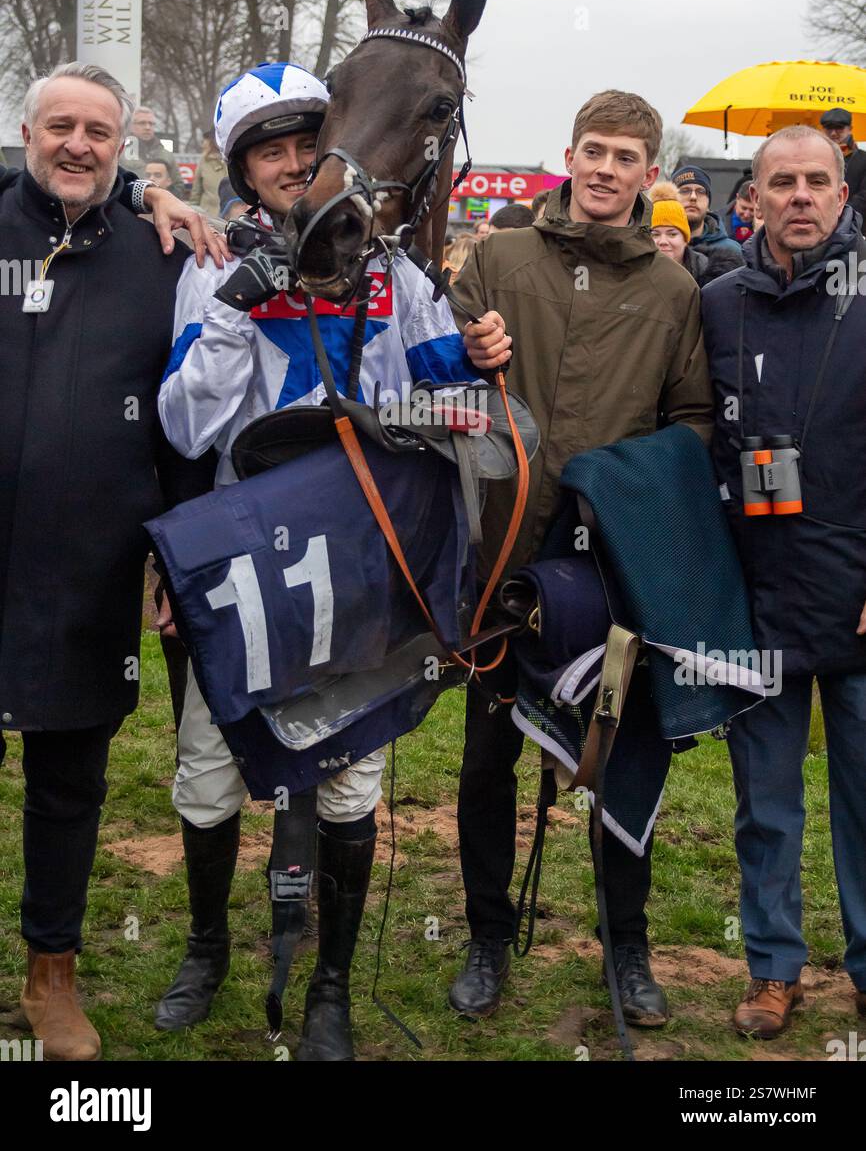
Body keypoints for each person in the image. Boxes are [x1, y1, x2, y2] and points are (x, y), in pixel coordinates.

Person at [156, 62, 482, 1061]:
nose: (294, 166)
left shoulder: (400, 275)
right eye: (271, 151)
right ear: (243, 169)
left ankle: (333, 985)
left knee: (347, 784)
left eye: (307, 143)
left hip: (357, 568)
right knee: (209, 779)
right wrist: (233, 310)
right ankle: (208, 947)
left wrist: (480, 359)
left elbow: (453, 415)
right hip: (244, 568)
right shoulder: (212, 269)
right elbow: (181, 424)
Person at [447, 90, 714, 1025]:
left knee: (619, 759)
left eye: (626, 157)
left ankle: (628, 949)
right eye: (593, 151)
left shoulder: (675, 292)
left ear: (650, 174)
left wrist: (624, 488)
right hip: (500, 555)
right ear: (569, 156)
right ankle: (486, 937)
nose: (606, 169)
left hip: (610, 569)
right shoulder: (499, 255)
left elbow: (691, 425)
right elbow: (434, 370)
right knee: (487, 761)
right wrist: (466, 351)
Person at [0, 62, 217, 1061]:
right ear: (28, 131)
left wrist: (174, 556)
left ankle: (54, 974)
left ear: (121, 141)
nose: (78, 145)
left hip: (88, 568)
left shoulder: (159, 256)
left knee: (69, 781)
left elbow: (181, 429)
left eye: (100, 131)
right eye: (61, 127)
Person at [701, 124, 866, 1038]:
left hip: (857, 589)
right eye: (782, 183)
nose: (800, 196)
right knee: (764, 804)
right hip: (755, 598)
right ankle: (773, 969)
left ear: (843, 196)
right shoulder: (718, 303)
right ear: (752, 198)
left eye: (817, 181)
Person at [649, 183, 741, 287]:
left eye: (672, 234)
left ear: (685, 239)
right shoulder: (633, 275)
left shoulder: (709, 275)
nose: (663, 241)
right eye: (655, 235)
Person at [672, 164, 742, 263]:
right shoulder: (659, 246)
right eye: (684, 191)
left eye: (700, 191)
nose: (693, 197)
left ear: (708, 201)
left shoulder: (731, 252)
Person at [819, 107, 866, 219]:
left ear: (850, 129)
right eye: (829, 128)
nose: (833, 133)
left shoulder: (863, 158)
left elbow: (864, 196)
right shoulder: (813, 157)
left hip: (855, 225)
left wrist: (839, 213)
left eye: (839, 128)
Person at [123, 104, 184, 191]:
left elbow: (178, 185)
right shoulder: (122, 153)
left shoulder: (166, 154)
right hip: (128, 203)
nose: (147, 127)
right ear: (131, 127)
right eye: (142, 123)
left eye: (151, 124)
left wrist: (163, 201)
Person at [189, 130, 229, 217]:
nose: (203, 145)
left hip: (232, 217)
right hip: (208, 217)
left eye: (204, 141)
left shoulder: (233, 159)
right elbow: (196, 194)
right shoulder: (204, 162)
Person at [723, 179, 756, 244]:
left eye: (752, 210)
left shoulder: (768, 225)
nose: (746, 215)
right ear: (737, 198)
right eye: (743, 208)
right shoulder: (715, 220)